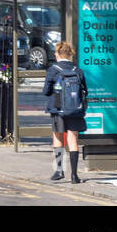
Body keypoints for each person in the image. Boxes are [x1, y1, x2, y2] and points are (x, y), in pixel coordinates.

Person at [44, 40, 88, 183]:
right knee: (73, 139)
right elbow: (85, 91)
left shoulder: (53, 69)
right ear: (70, 54)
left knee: (58, 137)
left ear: (57, 54)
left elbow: (46, 91)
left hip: (58, 109)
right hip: (75, 110)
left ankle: (59, 171)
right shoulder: (78, 70)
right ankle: (75, 175)